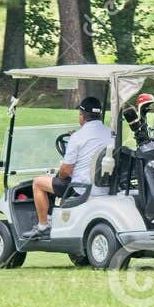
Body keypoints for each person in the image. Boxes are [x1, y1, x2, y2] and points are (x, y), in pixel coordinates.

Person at [27, 96, 112, 239]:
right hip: (104, 185)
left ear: (82, 115)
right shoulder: (111, 133)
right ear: (99, 114)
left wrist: (58, 177)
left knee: (38, 183)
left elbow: (66, 171)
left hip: (80, 188)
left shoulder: (77, 137)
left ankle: (43, 226)